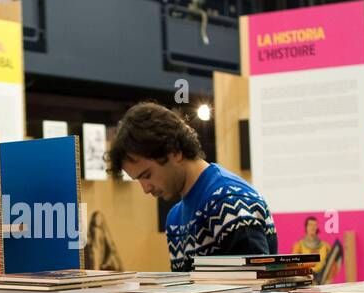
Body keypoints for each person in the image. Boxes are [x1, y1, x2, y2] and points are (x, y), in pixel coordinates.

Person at [106, 101, 277, 271]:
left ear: (175, 151)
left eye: (147, 175)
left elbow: (254, 290)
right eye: (138, 180)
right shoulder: (175, 218)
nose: (146, 188)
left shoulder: (229, 202)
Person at [291, 216, 334, 283]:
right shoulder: (298, 246)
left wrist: (327, 280)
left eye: (315, 225)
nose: (312, 227)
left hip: (323, 282)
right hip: (306, 281)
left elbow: (331, 265)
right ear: (306, 227)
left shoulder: (326, 246)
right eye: (310, 225)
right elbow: (294, 265)